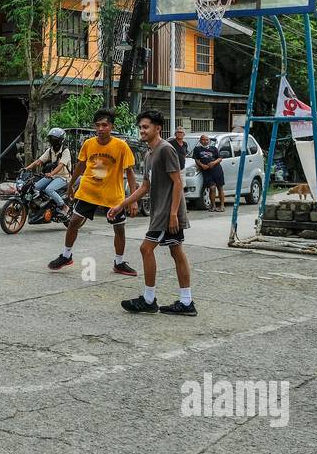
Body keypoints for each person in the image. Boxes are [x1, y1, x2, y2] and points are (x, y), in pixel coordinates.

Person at [110, 111, 195, 315]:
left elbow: (177, 183)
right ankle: (186, 302)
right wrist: (121, 204)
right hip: (160, 212)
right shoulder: (149, 153)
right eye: (140, 127)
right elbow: (145, 186)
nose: (142, 130)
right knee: (176, 251)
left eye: (146, 127)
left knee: (145, 249)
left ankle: (149, 300)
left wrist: (174, 214)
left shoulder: (166, 149)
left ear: (157, 128)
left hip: (167, 213)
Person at [47, 109, 138, 277]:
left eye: (105, 125)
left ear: (111, 126)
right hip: (89, 190)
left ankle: (119, 263)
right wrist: (71, 184)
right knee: (73, 222)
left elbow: (130, 172)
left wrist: (133, 199)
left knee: (119, 229)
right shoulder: (89, 144)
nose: (101, 128)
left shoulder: (121, 146)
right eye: (98, 125)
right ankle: (66, 256)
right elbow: (81, 165)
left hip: (113, 194)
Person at [26, 127, 72, 211]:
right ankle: (43, 205)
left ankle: (63, 205)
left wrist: (51, 174)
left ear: (60, 140)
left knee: (49, 189)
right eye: (51, 139)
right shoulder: (50, 150)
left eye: (54, 139)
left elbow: (61, 165)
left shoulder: (66, 151)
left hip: (63, 177)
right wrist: (27, 168)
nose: (52, 141)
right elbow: (39, 161)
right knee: (35, 187)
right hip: (53, 176)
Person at [190, 134, 225, 212]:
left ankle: (222, 206)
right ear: (200, 141)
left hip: (217, 170)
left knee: (220, 187)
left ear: (209, 140)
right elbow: (196, 160)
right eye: (203, 139)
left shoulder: (214, 148)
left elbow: (219, 158)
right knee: (212, 188)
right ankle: (213, 206)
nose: (205, 141)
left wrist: (213, 163)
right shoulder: (197, 149)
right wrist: (202, 165)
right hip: (206, 171)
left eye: (206, 140)